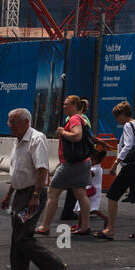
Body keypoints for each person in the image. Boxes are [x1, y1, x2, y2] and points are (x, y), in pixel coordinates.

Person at [3, 108, 66, 270]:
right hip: (20, 196)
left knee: (22, 238)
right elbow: (17, 172)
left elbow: (42, 170)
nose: (10, 126)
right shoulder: (17, 141)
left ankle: (54, 266)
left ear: (26, 122)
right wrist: (9, 195)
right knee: (17, 239)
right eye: (9, 122)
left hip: (32, 195)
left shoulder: (36, 139)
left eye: (13, 122)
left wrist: (36, 196)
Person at [35, 94, 92, 237]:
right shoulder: (82, 118)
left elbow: (77, 136)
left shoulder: (74, 119)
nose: (63, 106)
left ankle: (44, 226)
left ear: (74, 105)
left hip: (71, 164)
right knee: (81, 194)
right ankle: (85, 226)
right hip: (83, 162)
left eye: (66, 104)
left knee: (53, 193)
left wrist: (62, 131)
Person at [94, 101, 135, 239]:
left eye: (117, 117)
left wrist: (116, 162)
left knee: (112, 195)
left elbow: (128, 145)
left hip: (130, 166)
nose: (116, 120)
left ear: (122, 115)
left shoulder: (127, 125)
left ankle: (110, 229)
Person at [83, 144, 110, 233]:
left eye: (91, 160)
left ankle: (106, 219)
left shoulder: (94, 169)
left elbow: (90, 174)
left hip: (93, 190)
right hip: (93, 188)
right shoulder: (98, 168)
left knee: (92, 209)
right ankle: (81, 225)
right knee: (84, 208)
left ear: (95, 160)